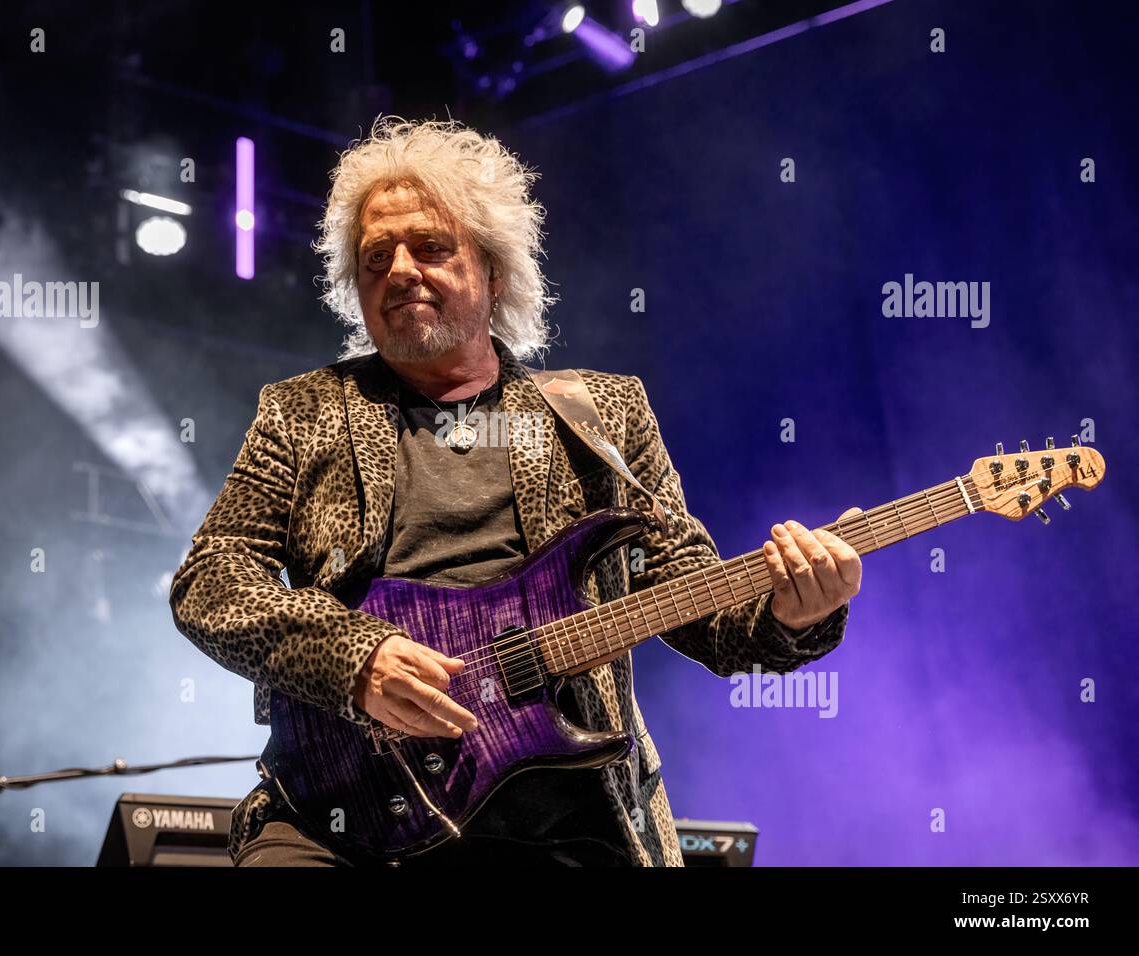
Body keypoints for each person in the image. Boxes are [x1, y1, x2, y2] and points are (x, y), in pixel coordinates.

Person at [169, 116, 861, 867]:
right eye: (375, 257)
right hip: (339, 811)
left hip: (559, 818)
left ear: (494, 273)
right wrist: (356, 659)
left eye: (431, 247)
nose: (400, 269)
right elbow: (210, 583)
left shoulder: (602, 415)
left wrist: (796, 613)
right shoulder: (303, 412)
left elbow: (707, 616)